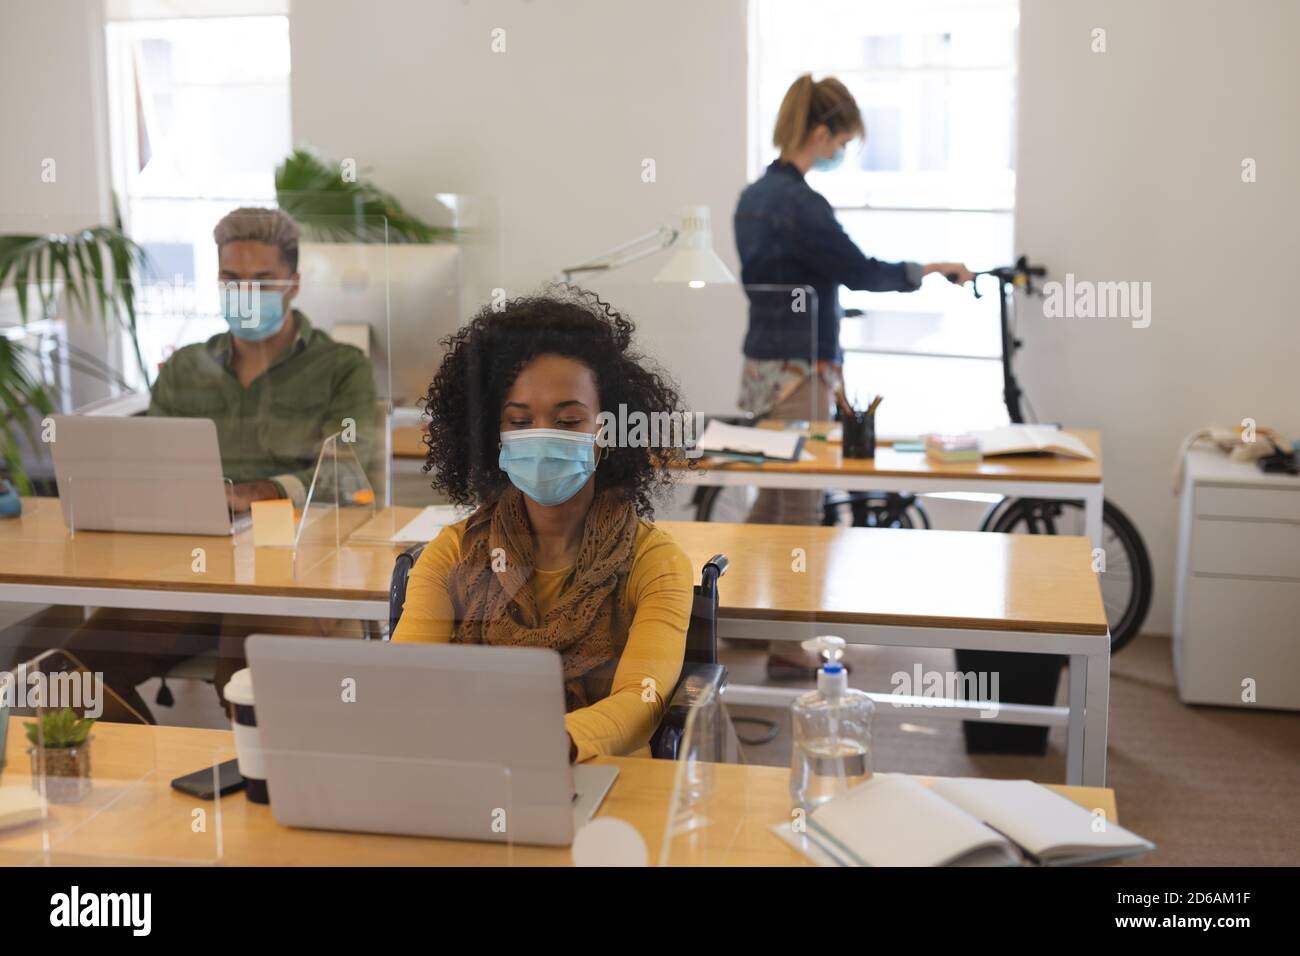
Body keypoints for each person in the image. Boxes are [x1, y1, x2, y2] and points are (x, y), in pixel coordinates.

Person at [8, 207, 378, 722]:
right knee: (64, 677)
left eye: (261, 280)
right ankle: (153, 788)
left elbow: (357, 475)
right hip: (193, 565)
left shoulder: (342, 368)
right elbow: (148, 468)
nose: (244, 292)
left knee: (247, 684)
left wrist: (264, 489)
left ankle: (258, 793)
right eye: (231, 279)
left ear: (293, 284)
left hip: (288, 561)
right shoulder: (186, 368)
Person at [734, 74, 974, 680]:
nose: (841, 151)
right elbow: (859, 270)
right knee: (799, 508)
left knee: (768, 500)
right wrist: (930, 268)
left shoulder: (751, 198)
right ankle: (788, 647)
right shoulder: (802, 205)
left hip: (762, 370)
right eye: (843, 139)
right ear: (822, 133)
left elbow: (789, 281)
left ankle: (722, 618)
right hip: (802, 374)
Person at [393, 288, 694, 763]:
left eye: (569, 420)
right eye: (519, 420)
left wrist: (550, 742)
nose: (542, 436)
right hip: (473, 768)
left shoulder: (654, 562)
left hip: (607, 784)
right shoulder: (454, 552)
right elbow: (406, 682)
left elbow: (644, 697)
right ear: (494, 434)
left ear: (608, 431)